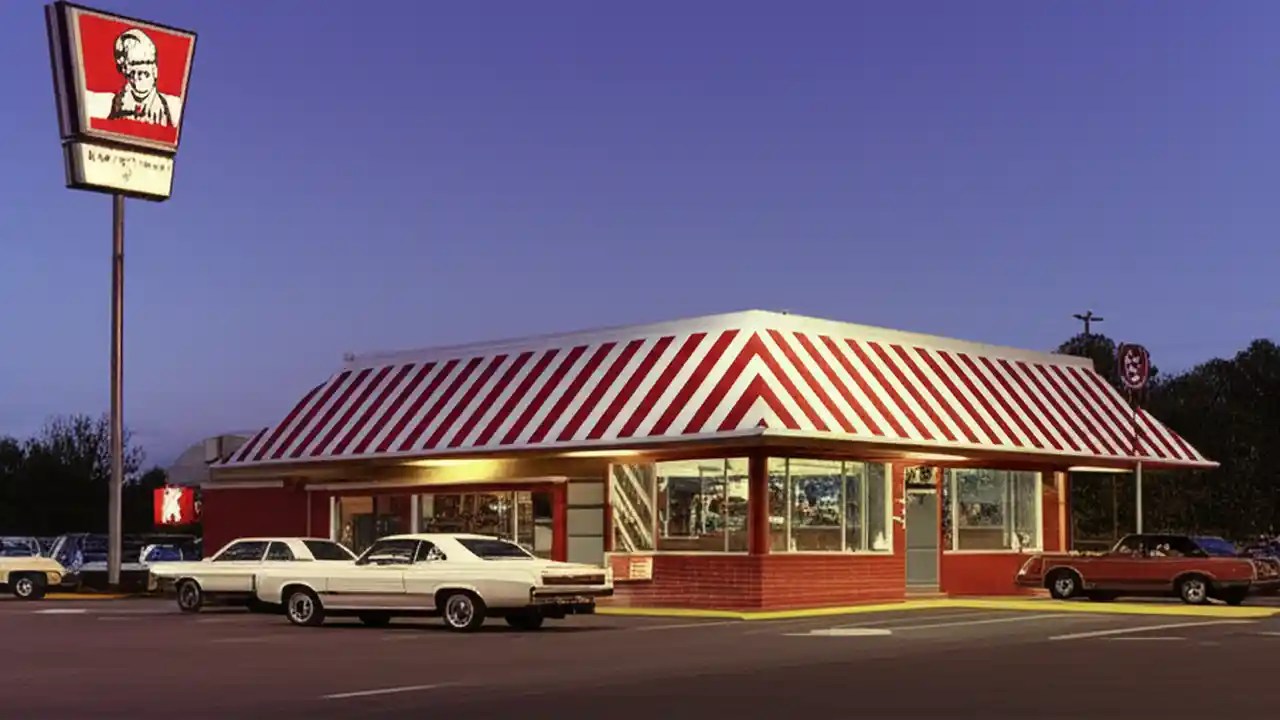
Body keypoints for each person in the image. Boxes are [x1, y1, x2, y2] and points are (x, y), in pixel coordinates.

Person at [108, 28, 174, 126]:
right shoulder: (117, 102)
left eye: (143, 73)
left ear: (154, 70)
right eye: (132, 72)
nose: (138, 78)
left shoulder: (170, 106)